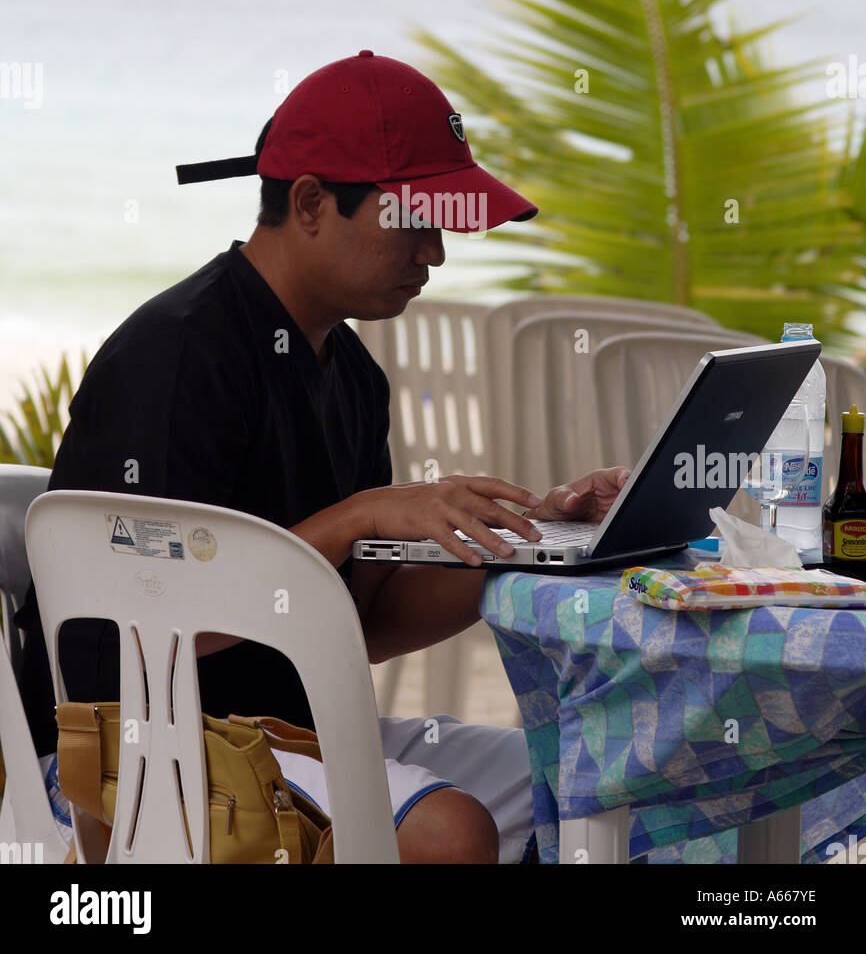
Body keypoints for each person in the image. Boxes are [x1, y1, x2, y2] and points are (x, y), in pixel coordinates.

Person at [16, 49, 629, 863]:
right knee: (449, 833)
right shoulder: (178, 355)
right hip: (131, 748)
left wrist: (528, 541)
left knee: (600, 785)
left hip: (284, 736)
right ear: (309, 203)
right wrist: (357, 517)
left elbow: (360, 620)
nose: (435, 254)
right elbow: (148, 620)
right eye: (415, 220)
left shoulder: (352, 376)